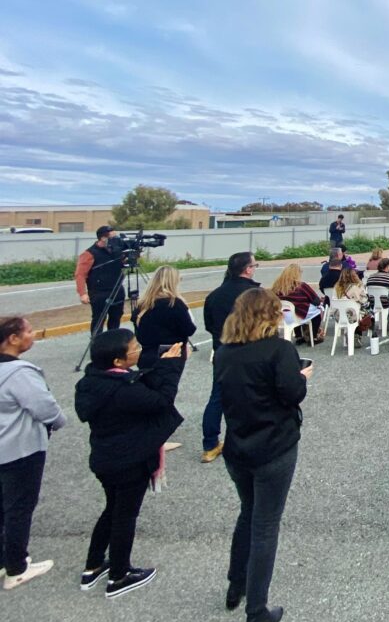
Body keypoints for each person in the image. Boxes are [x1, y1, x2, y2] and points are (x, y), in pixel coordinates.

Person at [215, 289, 310, 622]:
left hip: (238, 445)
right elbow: (292, 393)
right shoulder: (279, 350)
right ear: (270, 314)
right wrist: (301, 377)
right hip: (274, 445)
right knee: (266, 525)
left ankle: (236, 584)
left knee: (247, 512)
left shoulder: (225, 353)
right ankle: (256, 611)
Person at [75, 328, 184, 599]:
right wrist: (171, 367)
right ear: (118, 361)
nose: (138, 348)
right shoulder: (122, 391)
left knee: (112, 509)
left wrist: (161, 364)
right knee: (125, 516)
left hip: (105, 458)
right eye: (134, 347)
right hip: (129, 462)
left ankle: (94, 564)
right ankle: (119, 576)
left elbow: (142, 382)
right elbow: (161, 401)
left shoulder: (92, 383)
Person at [0, 316, 67, 591]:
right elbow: (44, 407)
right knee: (20, 507)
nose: (32, 335)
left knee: (3, 505)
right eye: (28, 331)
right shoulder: (20, 373)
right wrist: (59, 421)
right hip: (20, 449)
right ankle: (17, 567)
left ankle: (4, 558)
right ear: (12, 339)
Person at [201, 252, 259, 464]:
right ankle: (249, 442)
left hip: (223, 351)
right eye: (254, 265)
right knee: (253, 396)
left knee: (217, 396)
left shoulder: (214, 295)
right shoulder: (253, 294)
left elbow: (208, 325)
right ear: (247, 269)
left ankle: (209, 444)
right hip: (249, 350)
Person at [134, 266, 196, 370]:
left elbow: (139, 332)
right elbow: (190, 330)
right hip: (170, 354)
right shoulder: (175, 304)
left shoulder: (142, 305)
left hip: (146, 354)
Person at [75, 225, 126, 333]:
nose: (116, 240)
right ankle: (96, 343)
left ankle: (112, 342)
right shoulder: (89, 253)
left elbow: (122, 264)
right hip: (99, 292)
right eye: (113, 237)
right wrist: (82, 293)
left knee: (116, 317)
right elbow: (80, 274)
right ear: (103, 238)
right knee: (99, 319)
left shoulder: (117, 251)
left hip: (117, 289)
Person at [272, 264, 326, 343]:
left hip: (283, 316)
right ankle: (314, 337)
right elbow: (316, 301)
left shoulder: (277, 287)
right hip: (298, 315)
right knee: (317, 311)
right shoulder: (301, 286)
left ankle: (299, 336)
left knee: (294, 309)